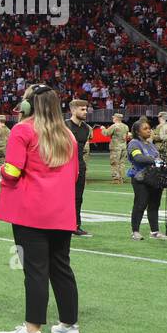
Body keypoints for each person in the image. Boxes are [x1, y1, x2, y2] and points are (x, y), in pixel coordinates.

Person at [0, 85, 81, 333]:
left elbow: (11, 171)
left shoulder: (23, 130)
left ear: (28, 106)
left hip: (31, 212)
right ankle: (69, 324)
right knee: (61, 267)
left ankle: (32, 330)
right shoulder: (69, 135)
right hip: (61, 213)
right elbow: (75, 175)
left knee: (35, 270)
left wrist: (1, 171)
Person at [127, 119, 167, 241]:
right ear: (137, 132)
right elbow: (138, 158)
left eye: (149, 128)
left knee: (154, 205)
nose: (149, 130)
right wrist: (155, 161)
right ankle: (135, 232)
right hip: (140, 178)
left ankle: (155, 231)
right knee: (140, 204)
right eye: (145, 128)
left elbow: (158, 158)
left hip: (154, 178)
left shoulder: (150, 144)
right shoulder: (134, 143)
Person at [65, 99, 92, 237]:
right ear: (73, 110)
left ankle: (75, 225)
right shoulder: (64, 126)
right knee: (62, 198)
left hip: (79, 166)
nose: (85, 111)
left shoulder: (86, 128)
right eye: (82, 109)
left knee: (78, 197)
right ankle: (60, 225)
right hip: (64, 167)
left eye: (86, 109)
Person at [104, 113, 130, 184]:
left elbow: (106, 133)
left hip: (116, 147)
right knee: (122, 163)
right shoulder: (126, 126)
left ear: (116, 118)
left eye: (113, 117)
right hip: (124, 147)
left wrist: (103, 129)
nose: (113, 119)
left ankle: (116, 179)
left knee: (114, 163)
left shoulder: (114, 126)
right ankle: (121, 177)